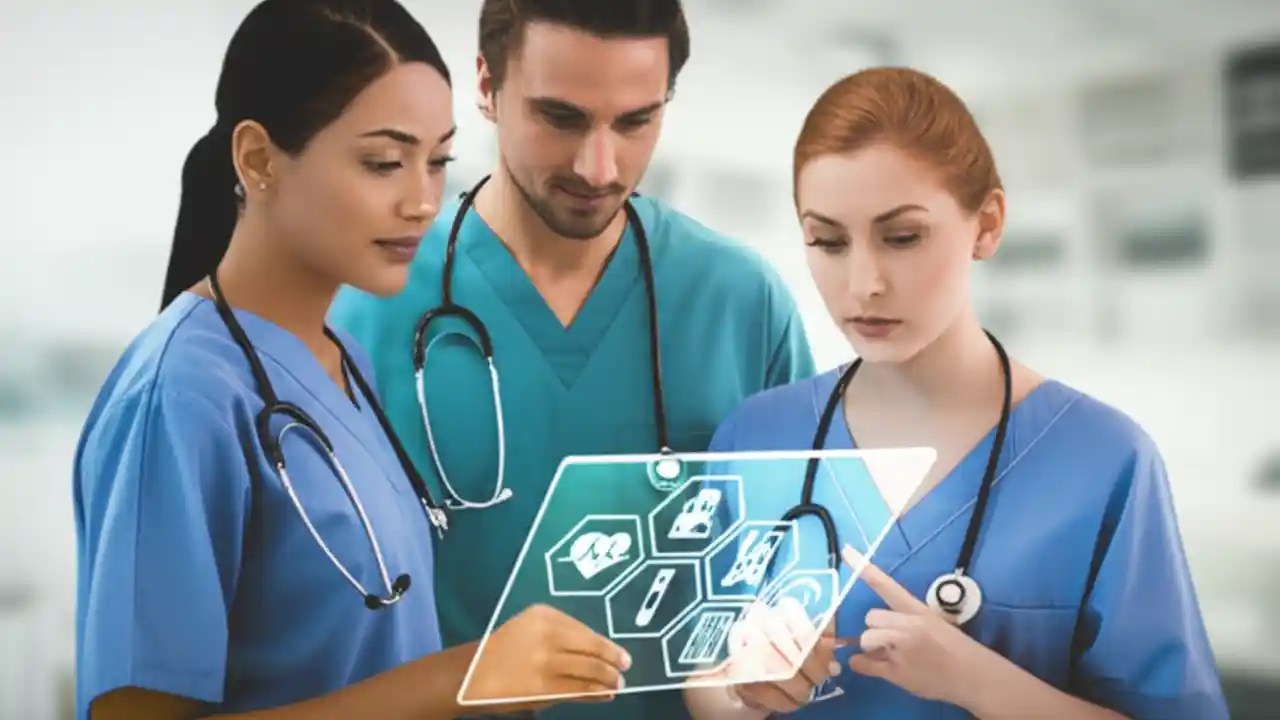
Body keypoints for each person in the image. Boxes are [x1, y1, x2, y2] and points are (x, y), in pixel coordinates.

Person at [72, 2, 632, 718]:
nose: (424, 201)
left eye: (438, 162)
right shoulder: (178, 398)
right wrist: (456, 684)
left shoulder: (346, 363)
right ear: (258, 159)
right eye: (384, 163)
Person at [681, 67, 1230, 719]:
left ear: (987, 224)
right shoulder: (754, 438)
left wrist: (977, 681)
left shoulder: (1105, 461)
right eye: (827, 241)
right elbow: (701, 683)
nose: (864, 283)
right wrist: (746, 692)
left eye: (903, 237)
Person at [327, 2, 814, 718]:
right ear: (486, 87)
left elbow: (800, 575)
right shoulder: (364, 309)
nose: (599, 165)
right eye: (560, 117)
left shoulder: (741, 303)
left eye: (636, 121)